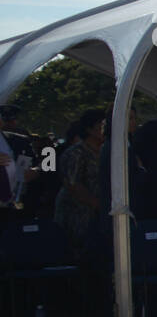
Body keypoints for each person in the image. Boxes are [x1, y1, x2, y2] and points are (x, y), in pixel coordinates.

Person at [53, 108, 106, 260]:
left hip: (99, 215)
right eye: (101, 125)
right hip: (77, 213)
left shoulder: (106, 151)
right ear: (89, 129)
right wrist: (98, 204)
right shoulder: (75, 153)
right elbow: (72, 184)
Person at [0, 104, 38, 230]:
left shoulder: (19, 141)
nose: (9, 123)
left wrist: (34, 172)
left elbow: (35, 166)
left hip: (15, 206)